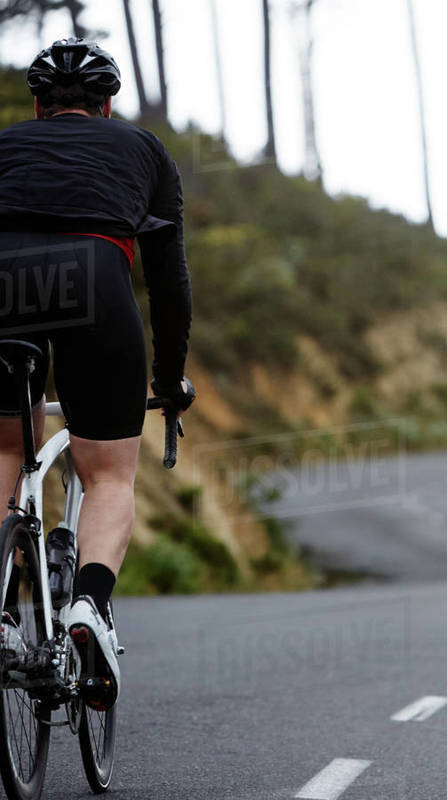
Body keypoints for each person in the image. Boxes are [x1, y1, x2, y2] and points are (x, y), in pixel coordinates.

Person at [0, 39, 195, 710]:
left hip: (3, 282)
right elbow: (169, 280)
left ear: (37, 107)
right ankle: (88, 606)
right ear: (107, 106)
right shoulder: (143, 150)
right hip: (95, 278)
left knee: (2, 447)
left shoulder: (5, 145)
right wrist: (170, 380)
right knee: (108, 472)